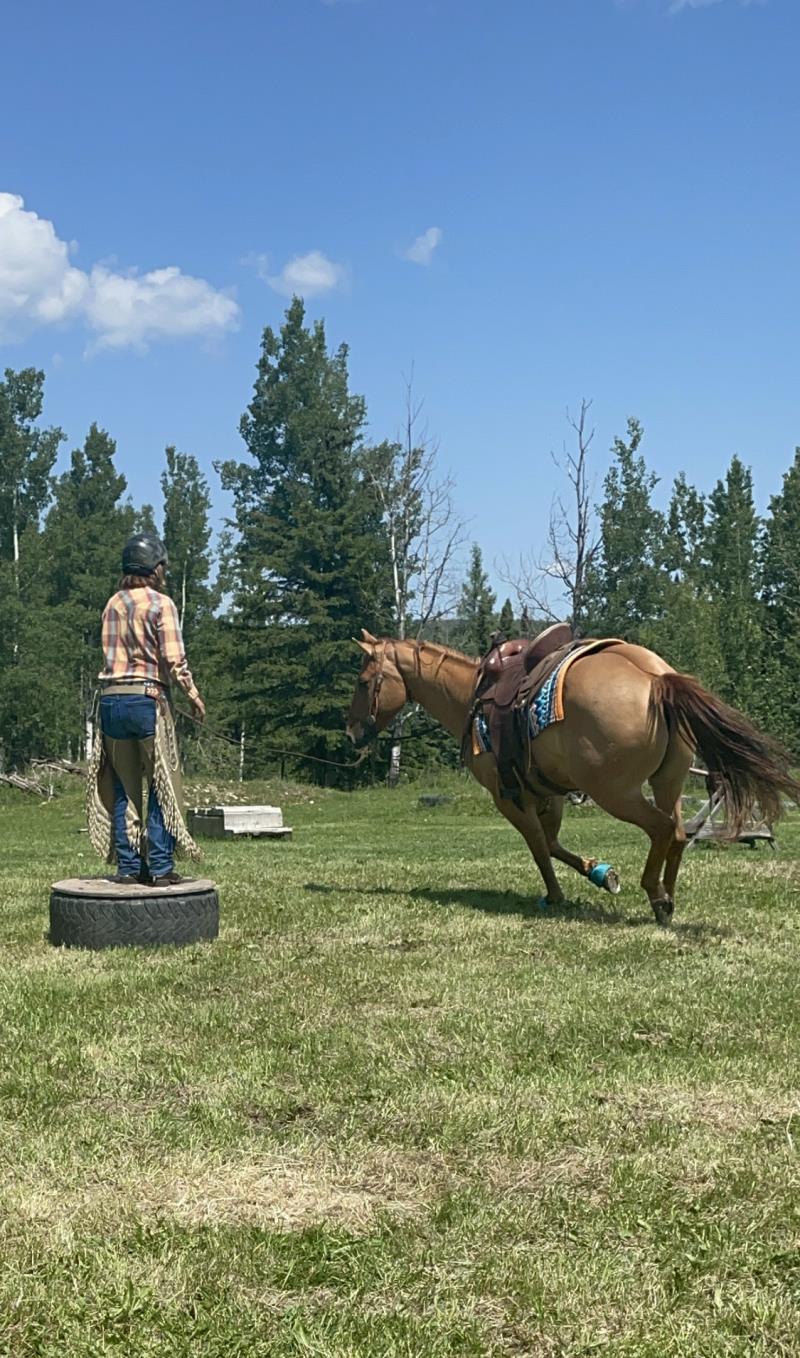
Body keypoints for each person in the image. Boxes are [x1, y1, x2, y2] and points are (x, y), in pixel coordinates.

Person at [86, 531, 205, 885]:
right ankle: (160, 867)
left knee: (124, 786)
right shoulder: (160, 603)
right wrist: (193, 694)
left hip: (110, 702)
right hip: (147, 700)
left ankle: (127, 867)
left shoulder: (112, 604)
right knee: (159, 785)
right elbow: (173, 658)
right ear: (155, 568)